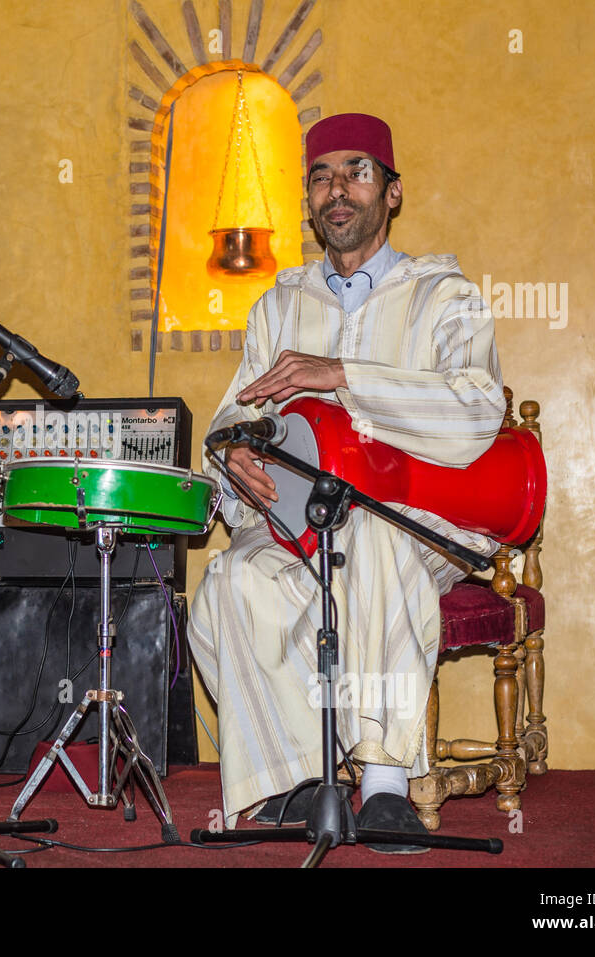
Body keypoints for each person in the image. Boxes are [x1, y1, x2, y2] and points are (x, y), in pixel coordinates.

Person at [190, 113, 505, 852]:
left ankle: (385, 781)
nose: (339, 190)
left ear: (391, 193)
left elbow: (478, 410)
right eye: (323, 176)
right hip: (303, 523)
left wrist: (344, 377)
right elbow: (237, 414)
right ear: (309, 199)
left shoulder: (444, 296)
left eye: (358, 172)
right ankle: (298, 776)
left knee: (374, 535)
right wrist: (233, 452)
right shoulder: (279, 305)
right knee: (232, 581)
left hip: (424, 520)